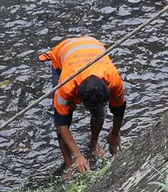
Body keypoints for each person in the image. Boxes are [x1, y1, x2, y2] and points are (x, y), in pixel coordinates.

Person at [39, 35, 127, 181]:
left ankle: (93, 143)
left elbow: (119, 109)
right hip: (64, 55)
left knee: (99, 113)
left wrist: (115, 134)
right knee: (64, 116)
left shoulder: (113, 80)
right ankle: (69, 164)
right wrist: (78, 156)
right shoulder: (66, 87)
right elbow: (61, 124)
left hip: (91, 46)